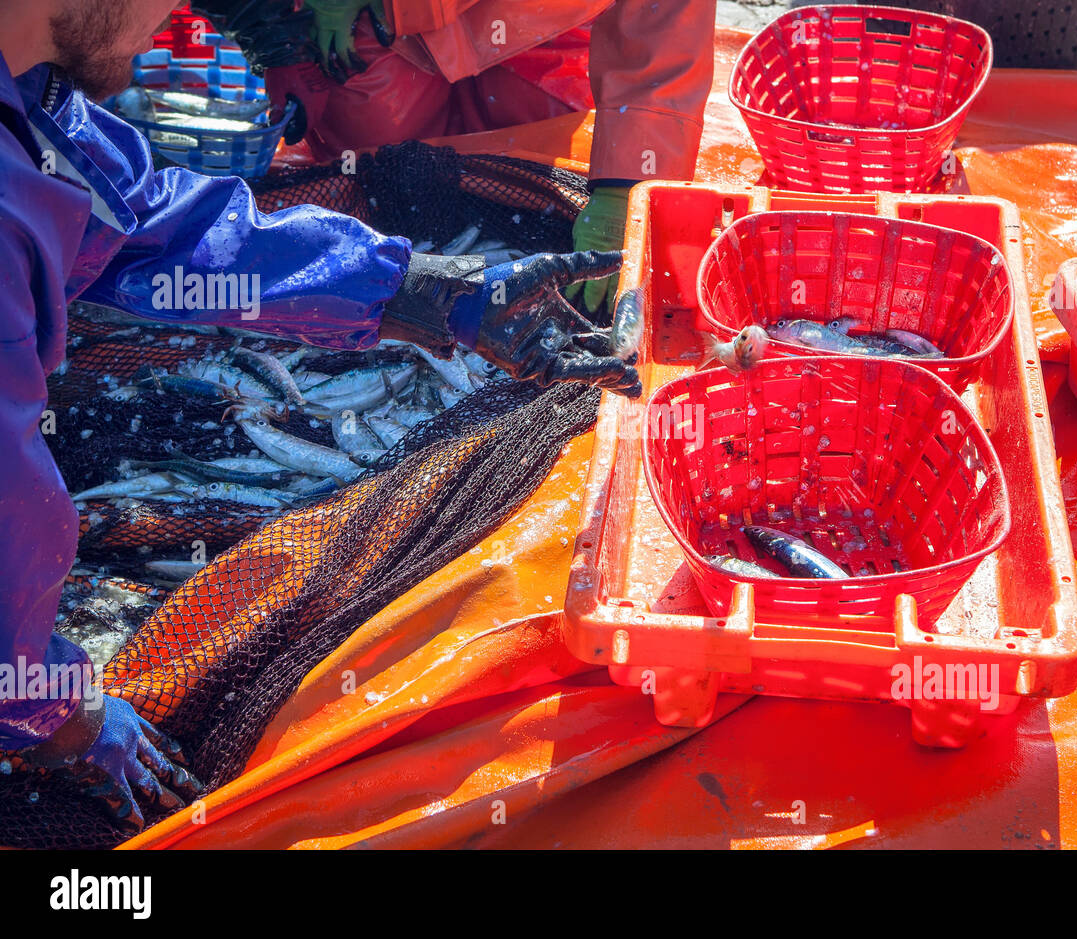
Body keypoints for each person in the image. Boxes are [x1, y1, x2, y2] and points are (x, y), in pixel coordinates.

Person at [0, 0, 641, 833]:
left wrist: (422, 290)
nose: (175, 18)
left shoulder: (34, 102)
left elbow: (156, 233)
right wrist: (49, 708)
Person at [193, 0, 717, 312]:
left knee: (533, 124)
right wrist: (282, 42)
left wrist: (627, 183)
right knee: (372, 143)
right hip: (384, 24)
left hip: (540, 26)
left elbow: (666, 20)